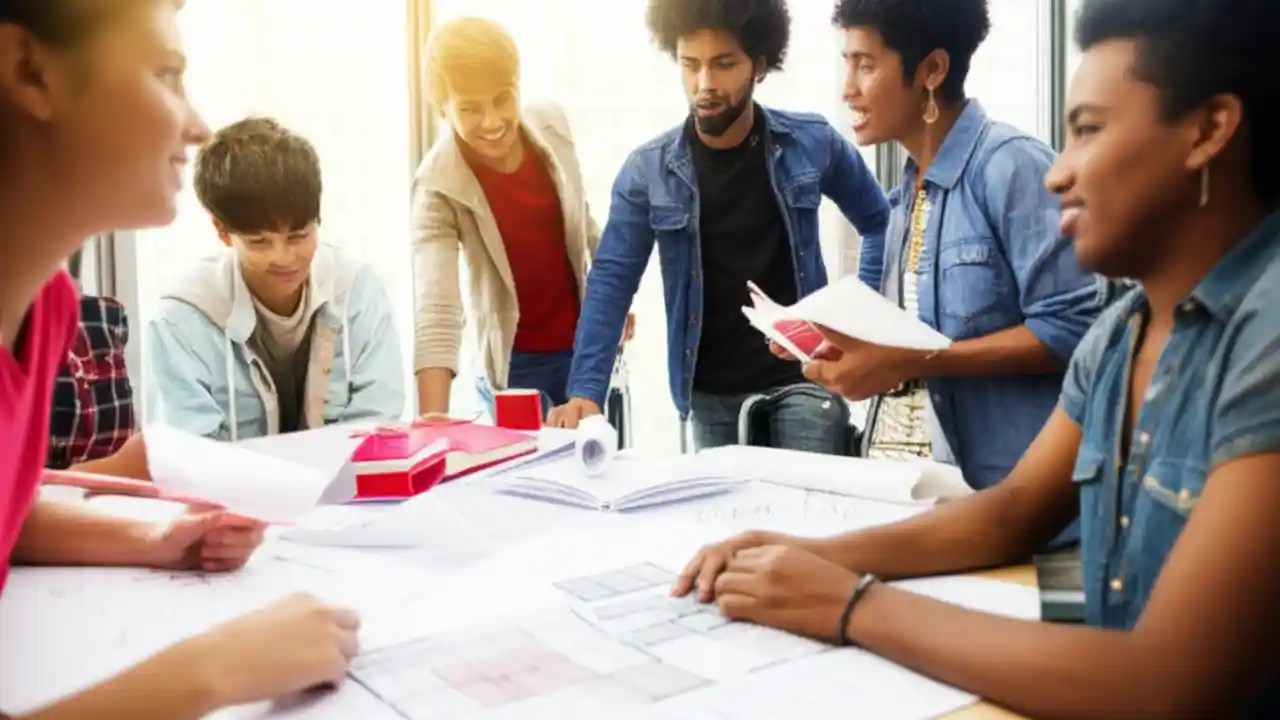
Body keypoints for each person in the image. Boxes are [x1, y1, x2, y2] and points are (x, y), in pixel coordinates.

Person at [673, 0, 1280, 716]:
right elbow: (1013, 510)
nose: (1060, 175)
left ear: (1208, 131)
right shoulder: (1125, 332)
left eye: (1088, 131)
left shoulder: (1264, 337)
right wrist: (814, 554)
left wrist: (852, 605)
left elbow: (1167, 680)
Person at [0, 1, 360, 717]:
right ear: (28, 71)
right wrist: (213, 670)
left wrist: (158, 538)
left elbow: (9, 513)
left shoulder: (49, 313)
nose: (196, 126)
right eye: (167, 75)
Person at [549, 0, 890, 451]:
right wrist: (585, 394)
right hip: (709, 391)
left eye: (724, 64)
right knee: (725, 521)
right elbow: (612, 280)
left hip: (805, 378)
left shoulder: (812, 143)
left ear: (760, 65)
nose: (704, 84)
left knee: (809, 517)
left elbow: (882, 223)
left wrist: (854, 327)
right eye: (691, 65)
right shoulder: (648, 171)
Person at [796, 0, 1103, 495]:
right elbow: (913, 349)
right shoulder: (905, 195)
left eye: (866, 65)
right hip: (917, 489)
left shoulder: (1011, 167)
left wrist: (914, 360)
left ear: (933, 70)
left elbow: (1079, 326)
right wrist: (844, 348)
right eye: (847, 64)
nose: (847, 89)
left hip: (1012, 497)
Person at [412, 17, 632, 422]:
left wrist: (612, 297)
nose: (493, 121)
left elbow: (581, 220)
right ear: (443, 108)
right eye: (470, 108)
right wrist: (431, 423)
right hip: (517, 368)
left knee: (599, 468)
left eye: (503, 98)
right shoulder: (436, 184)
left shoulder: (551, 124)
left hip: (586, 347)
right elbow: (436, 309)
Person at [147, 117, 405, 441]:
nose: (282, 257)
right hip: (231, 490)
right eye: (259, 242)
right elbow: (188, 452)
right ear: (222, 232)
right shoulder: (180, 320)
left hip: (345, 484)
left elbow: (377, 421)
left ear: (318, 220)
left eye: (298, 236)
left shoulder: (357, 288)